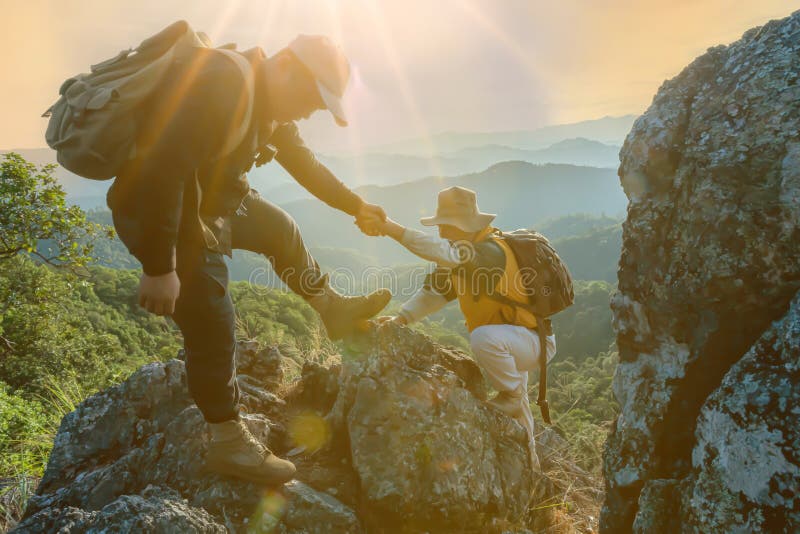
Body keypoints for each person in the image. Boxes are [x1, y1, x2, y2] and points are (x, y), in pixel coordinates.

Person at [106, 33, 391, 486]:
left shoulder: (267, 102)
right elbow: (164, 168)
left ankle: (332, 308)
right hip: (166, 214)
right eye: (312, 98)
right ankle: (228, 441)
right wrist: (160, 267)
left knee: (280, 229)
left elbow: (304, 163)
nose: (309, 111)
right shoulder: (223, 84)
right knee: (214, 320)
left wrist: (355, 205)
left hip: (212, 203)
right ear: (286, 67)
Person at [373, 186, 556, 458]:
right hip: (515, 339)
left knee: (484, 339)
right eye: (441, 226)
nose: (442, 232)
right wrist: (402, 318)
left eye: (447, 226)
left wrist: (391, 228)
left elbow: (441, 251)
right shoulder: (468, 255)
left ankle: (511, 397)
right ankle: (530, 465)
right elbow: (436, 292)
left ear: (467, 226)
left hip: (529, 342)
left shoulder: (489, 253)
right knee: (521, 414)